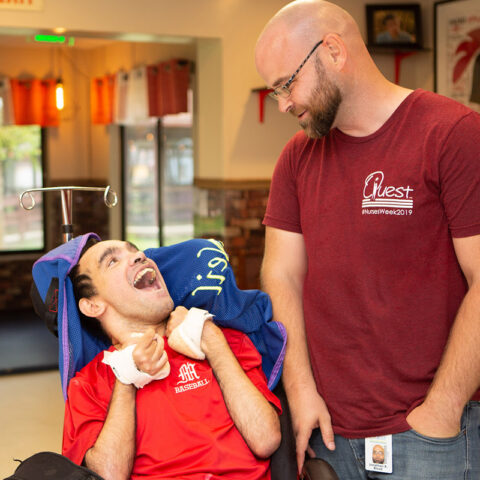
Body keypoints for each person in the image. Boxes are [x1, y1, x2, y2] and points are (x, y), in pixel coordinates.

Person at [255, 1, 480, 479]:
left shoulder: (452, 133)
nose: (283, 104)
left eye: (286, 84)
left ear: (334, 51)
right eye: (274, 91)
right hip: (329, 434)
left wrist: (443, 408)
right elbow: (281, 275)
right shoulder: (295, 158)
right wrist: (301, 391)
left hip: (431, 435)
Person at [62, 238, 281, 480]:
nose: (139, 256)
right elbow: (108, 475)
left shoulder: (227, 341)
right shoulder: (88, 385)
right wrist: (126, 376)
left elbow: (266, 439)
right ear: (92, 306)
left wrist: (212, 341)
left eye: (135, 251)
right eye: (113, 261)